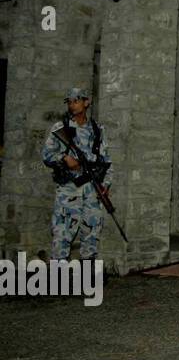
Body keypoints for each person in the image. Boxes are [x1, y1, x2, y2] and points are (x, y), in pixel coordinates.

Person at [41, 87, 114, 265]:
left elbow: (106, 160)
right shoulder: (61, 128)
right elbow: (47, 155)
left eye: (76, 100)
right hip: (69, 188)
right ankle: (59, 273)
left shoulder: (97, 130)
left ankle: (88, 272)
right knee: (63, 230)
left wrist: (105, 185)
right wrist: (64, 158)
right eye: (70, 102)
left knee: (92, 229)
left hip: (91, 188)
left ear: (86, 102)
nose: (73, 105)